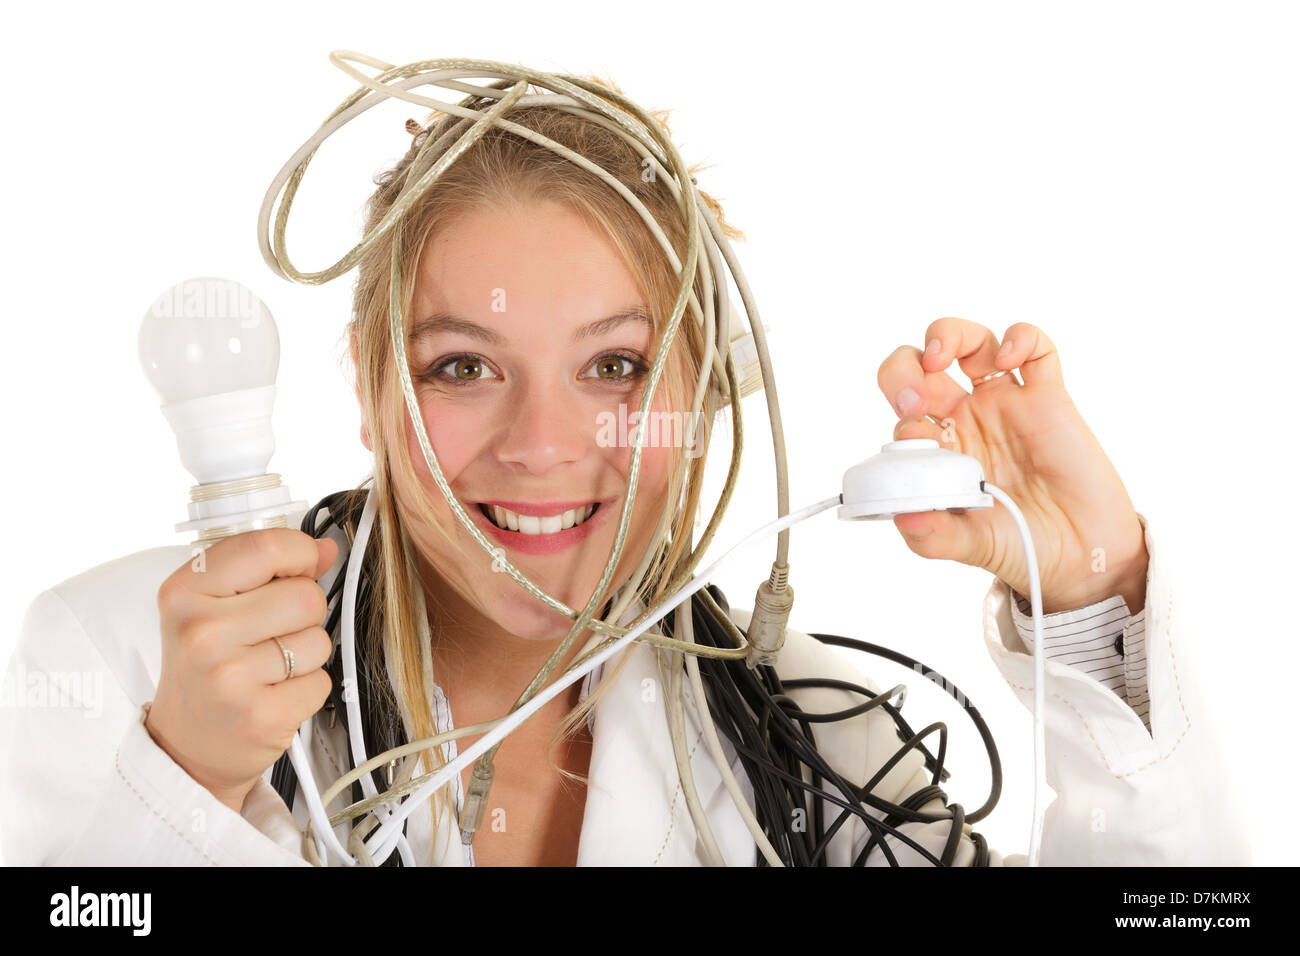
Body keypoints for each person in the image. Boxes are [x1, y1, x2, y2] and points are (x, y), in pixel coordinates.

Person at [1, 75, 1249, 867]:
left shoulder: (824, 753)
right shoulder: (124, 657)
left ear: (706, 390)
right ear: (371, 385)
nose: (543, 446)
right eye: (461, 367)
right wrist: (182, 783)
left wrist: (1087, 596)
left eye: (614, 369)